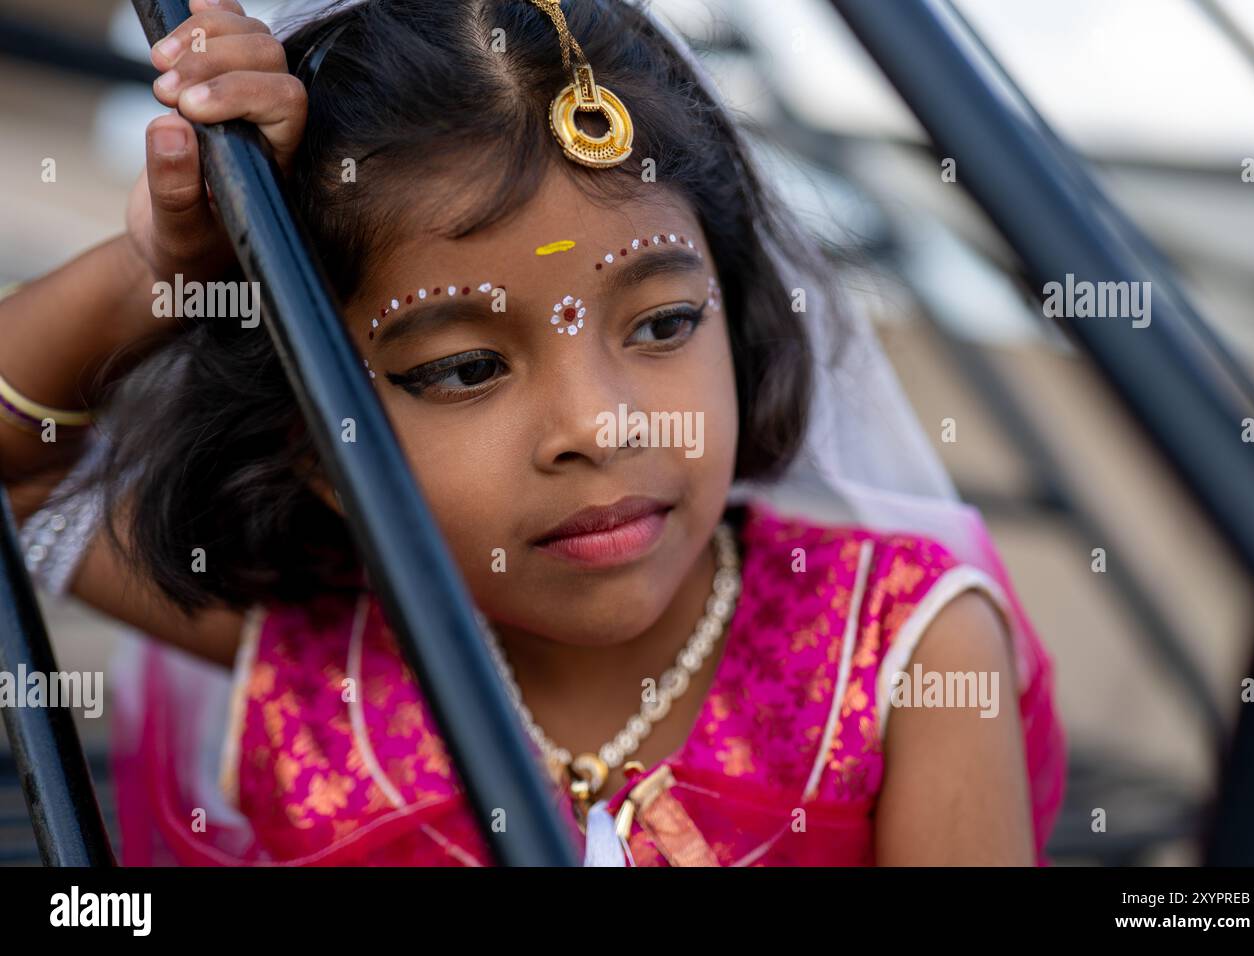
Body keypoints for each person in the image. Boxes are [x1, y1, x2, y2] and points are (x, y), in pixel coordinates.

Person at [1, 0, 1065, 866]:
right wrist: (166, 274)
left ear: (734, 315)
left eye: (661, 323)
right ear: (310, 443)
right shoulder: (317, 657)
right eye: (464, 367)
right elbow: (23, 482)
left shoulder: (899, 649)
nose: (600, 425)